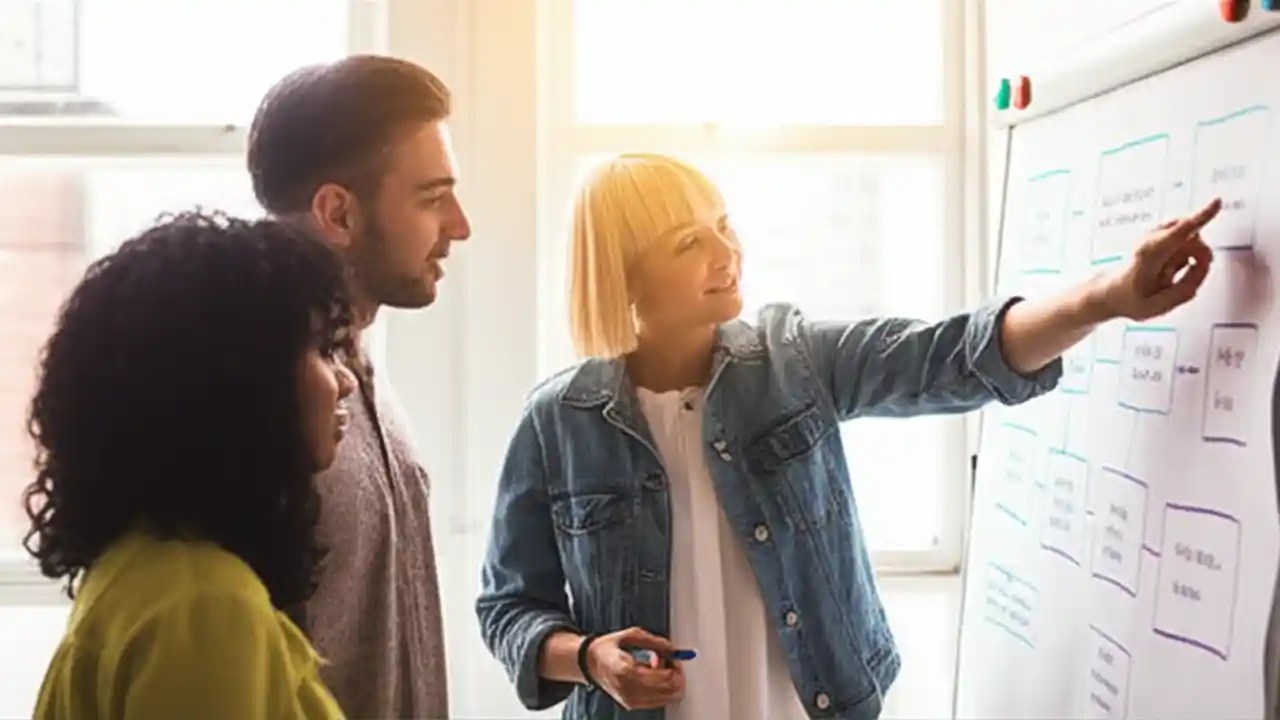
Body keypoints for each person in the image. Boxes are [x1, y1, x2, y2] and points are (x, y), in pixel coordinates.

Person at [476, 152, 1221, 719]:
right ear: (624, 275)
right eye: (686, 243)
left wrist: (1109, 297)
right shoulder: (557, 422)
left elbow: (953, 356)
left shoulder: (792, 361)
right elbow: (509, 606)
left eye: (723, 225)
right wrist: (589, 660)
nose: (724, 252)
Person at [24, 212, 357, 719]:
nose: (345, 381)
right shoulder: (204, 605)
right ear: (240, 379)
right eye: (321, 349)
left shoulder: (139, 568)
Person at [247, 54, 471, 718]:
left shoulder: (359, 367)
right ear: (337, 213)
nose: (460, 226)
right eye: (433, 197)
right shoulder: (248, 398)